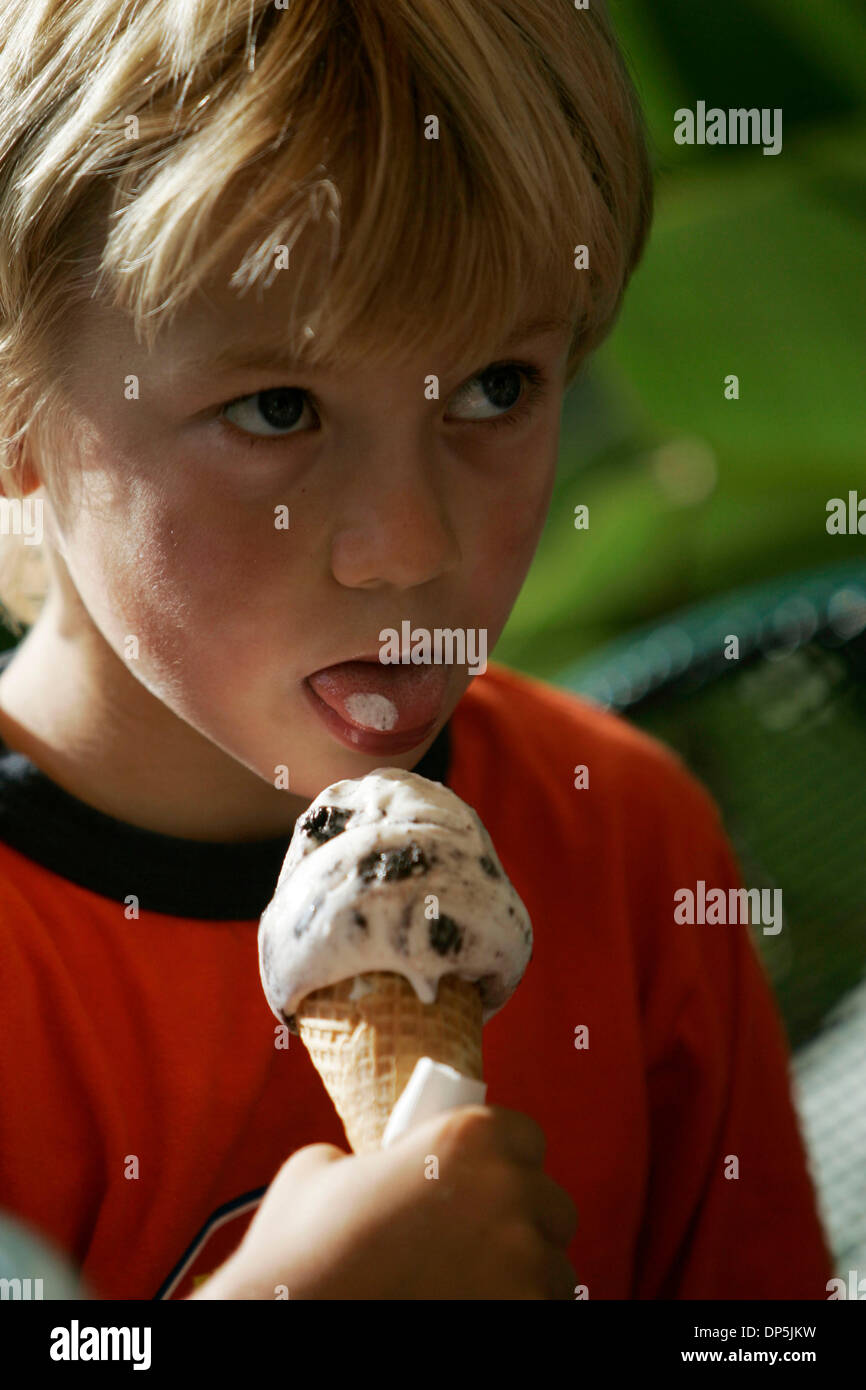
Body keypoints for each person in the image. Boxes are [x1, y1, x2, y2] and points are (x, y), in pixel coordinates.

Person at [0, 0, 832, 1300]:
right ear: (16, 412)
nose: (404, 546)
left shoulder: (625, 838)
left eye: (495, 387)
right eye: (276, 408)